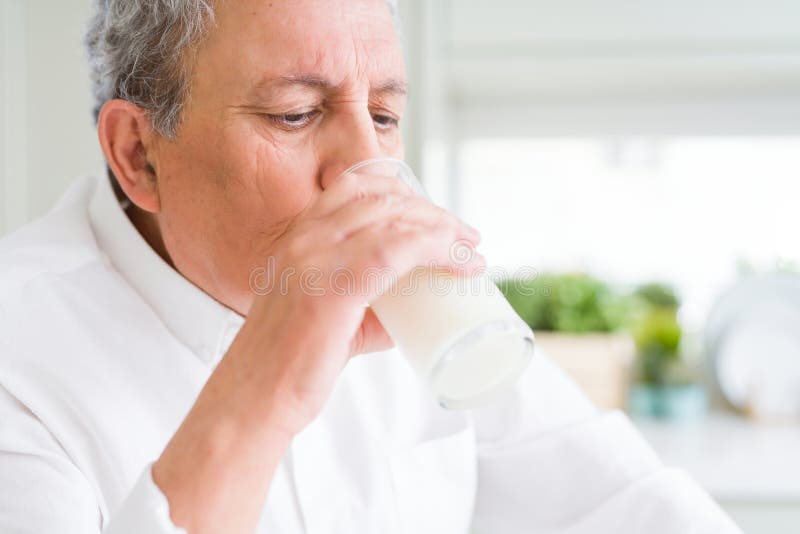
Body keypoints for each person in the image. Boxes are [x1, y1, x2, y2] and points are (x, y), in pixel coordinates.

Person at [0, 0, 742, 532]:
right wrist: (269, 384)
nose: (367, 167)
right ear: (139, 153)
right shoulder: (19, 361)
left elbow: (628, 503)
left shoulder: (421, 304)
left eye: (384, 117)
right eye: (294, 114)